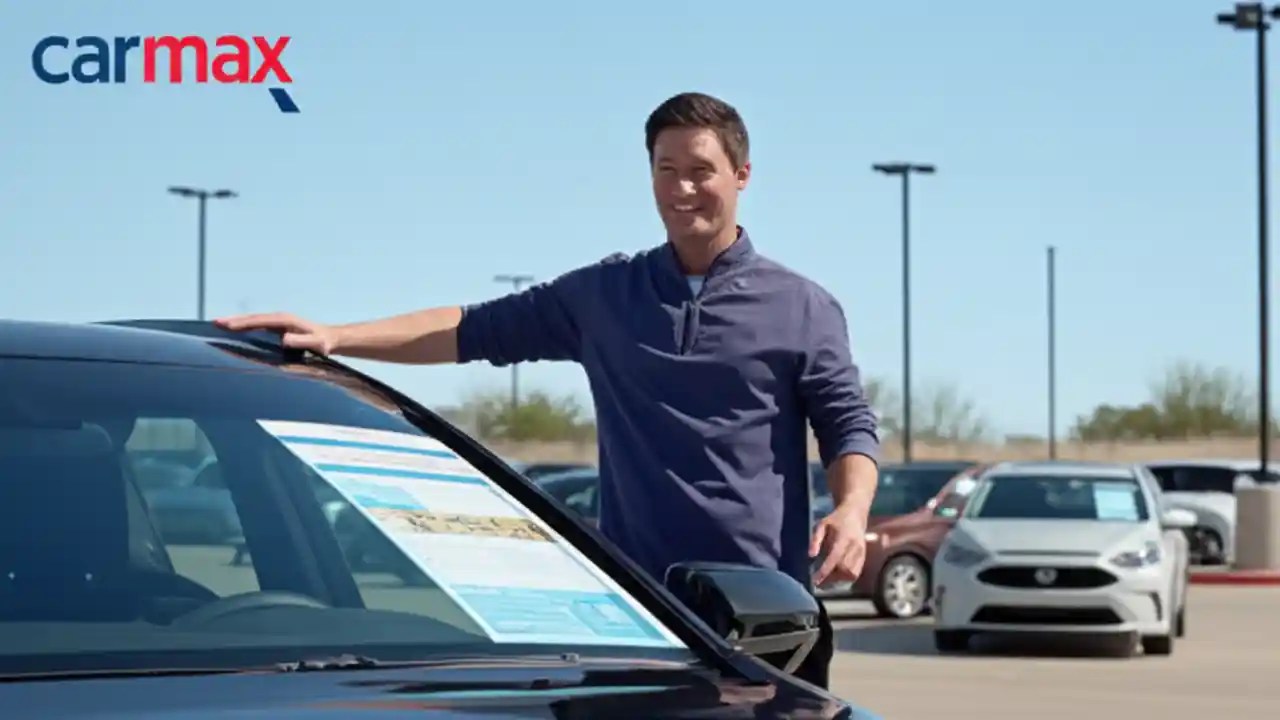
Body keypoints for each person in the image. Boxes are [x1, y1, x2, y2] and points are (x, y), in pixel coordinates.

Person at [215, 91, 880, 689]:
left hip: (766, 619)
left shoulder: (803, 307)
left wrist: (851, 511)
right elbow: (470, 329)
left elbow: (848, 424)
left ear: (741, 175)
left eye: (701, 170)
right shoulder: (605, 296)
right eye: (665, 169)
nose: (682, 189)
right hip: (640, 619)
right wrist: (338, 336)